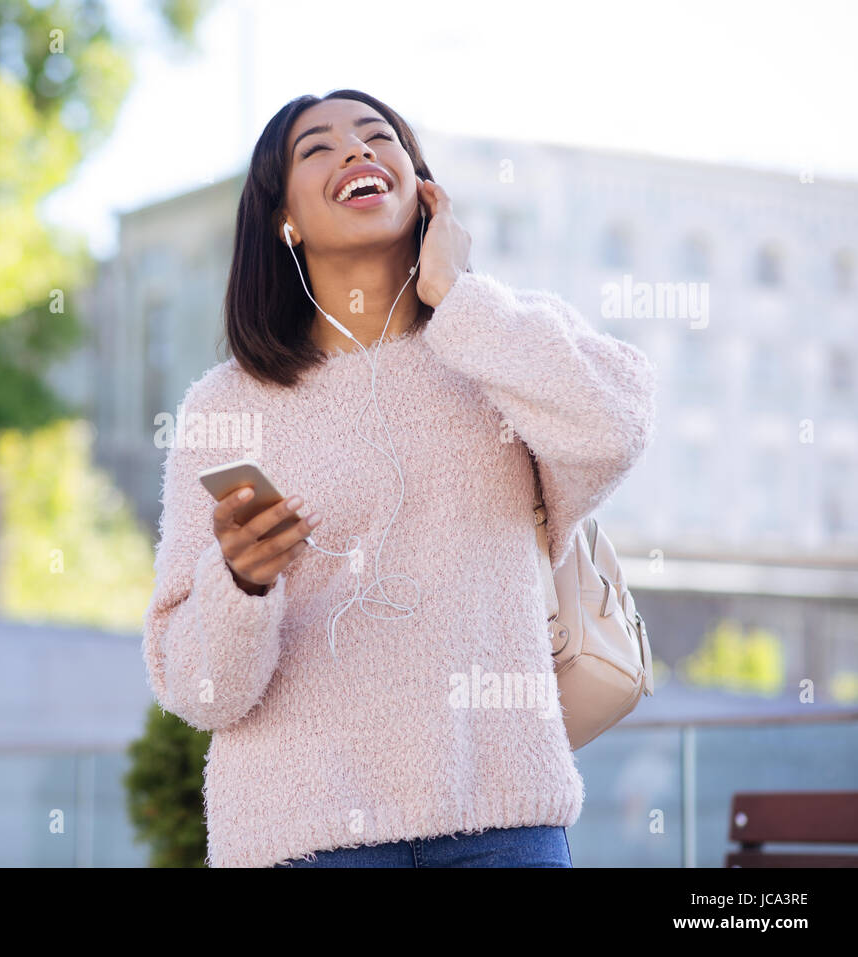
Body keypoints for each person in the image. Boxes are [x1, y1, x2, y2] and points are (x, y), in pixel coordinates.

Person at [140, 89, 658, 868]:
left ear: (425, 191)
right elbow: (201, 690)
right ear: (283, 219)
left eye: (379, 137)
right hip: (299, 839)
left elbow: (617, 426)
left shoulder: (495, 341)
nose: (355, 150)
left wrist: (457, 296)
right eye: (317, 147)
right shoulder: (227, 404)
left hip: (504, 821)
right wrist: (240, 583)